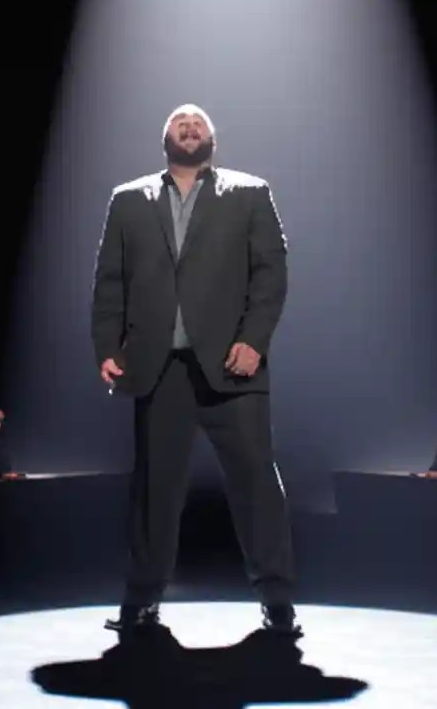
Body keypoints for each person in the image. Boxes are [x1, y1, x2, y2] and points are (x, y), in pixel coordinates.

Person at [91, 103, 298, 635]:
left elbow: (271, 274)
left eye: (198, 122)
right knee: (155, 490)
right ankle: (141, 598)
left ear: (212, 140)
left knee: (257, 485)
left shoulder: (250, 193)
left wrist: (254, 341)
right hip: (160, 368)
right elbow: (110, 282)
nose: (189, 125)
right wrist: (107, 346)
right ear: (164, 138)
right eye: (179, 121)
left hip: (234, 367)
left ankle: (277, 601)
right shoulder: (128, 200)